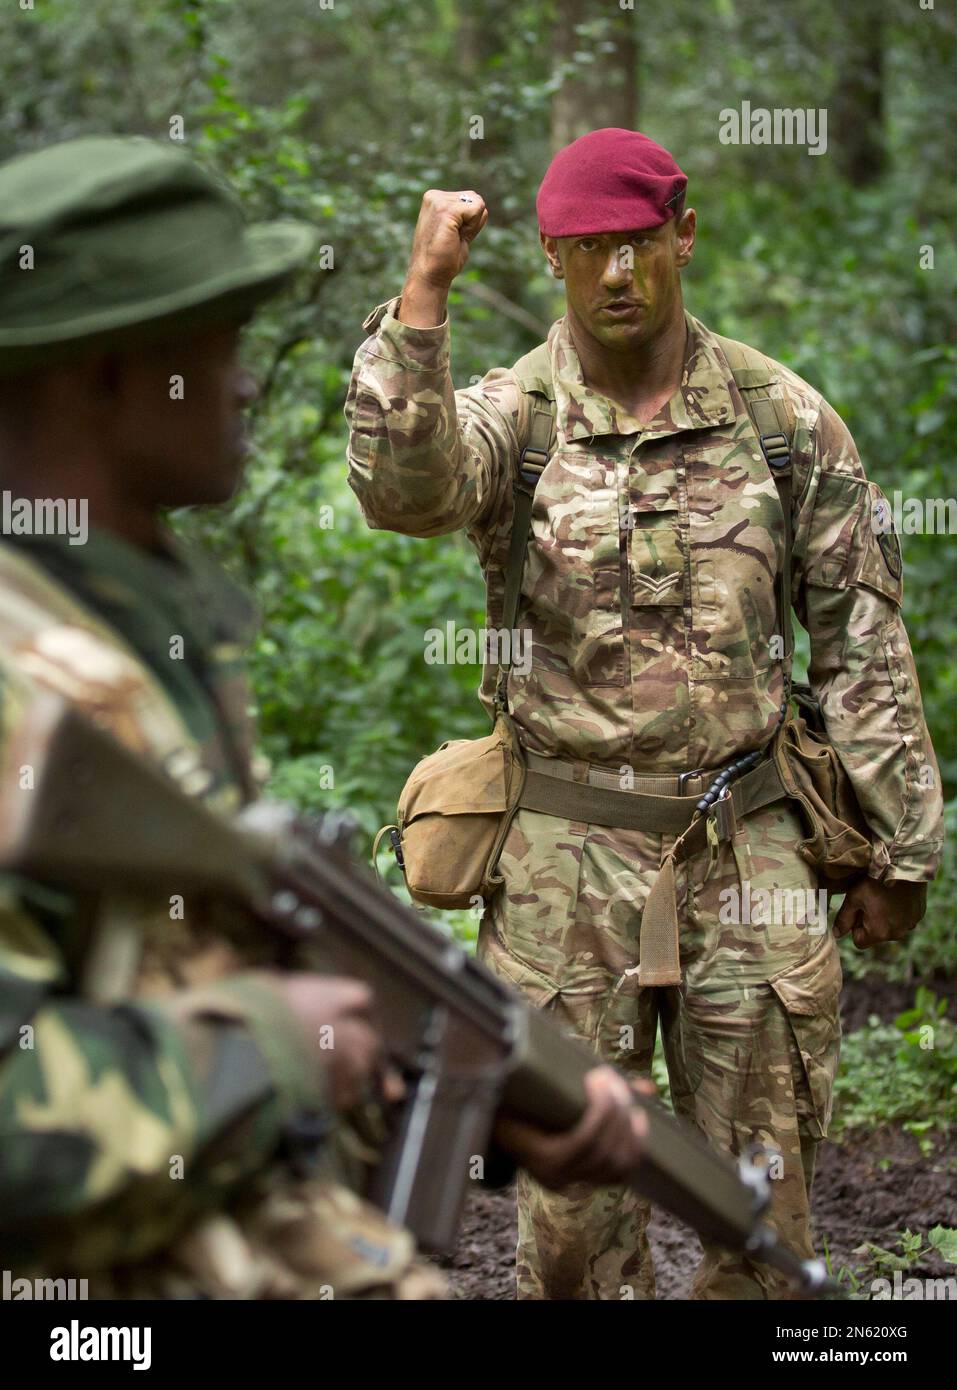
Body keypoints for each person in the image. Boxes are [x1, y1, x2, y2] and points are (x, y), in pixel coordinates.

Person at [0, 134, 647, 1301]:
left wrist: (482, 1109)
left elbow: (157, 999)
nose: (245, 382)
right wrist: (265, 1053)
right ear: (98, 376)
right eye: (216, 347)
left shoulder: (134, 627)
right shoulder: (27, 666)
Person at [344, 126, 944, 1299]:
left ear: (684, 235)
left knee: (764, 1204)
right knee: (569, 1225)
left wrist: (902, 845)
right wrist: (423, 299)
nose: (616, 275)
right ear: (554, 256)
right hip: (562, 851)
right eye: (586, 250)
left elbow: (864, 637)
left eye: (637, 245)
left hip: (749, 835)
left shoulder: (785, 421)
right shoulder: (512, 416)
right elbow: (402, 491)